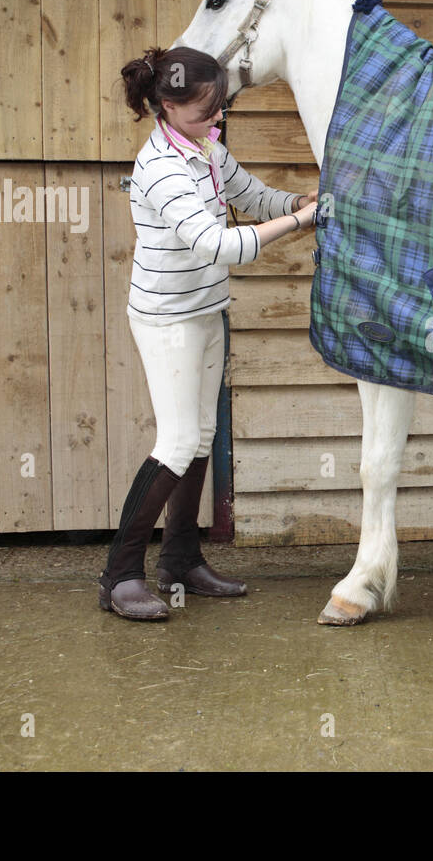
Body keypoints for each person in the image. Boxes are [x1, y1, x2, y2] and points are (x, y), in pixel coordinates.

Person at [100, 46, 317, 621]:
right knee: (175, 443)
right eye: (204, 113)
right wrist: (299, 223)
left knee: (199, 437)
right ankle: (119, 576)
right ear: (165, 108)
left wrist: (299, 200)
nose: (216, 121)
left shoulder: (205, 147)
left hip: (207, 309)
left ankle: (180, 561)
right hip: (167, 318)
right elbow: (217, 244)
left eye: (220, 110)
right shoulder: (162, 168)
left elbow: (251, 197)